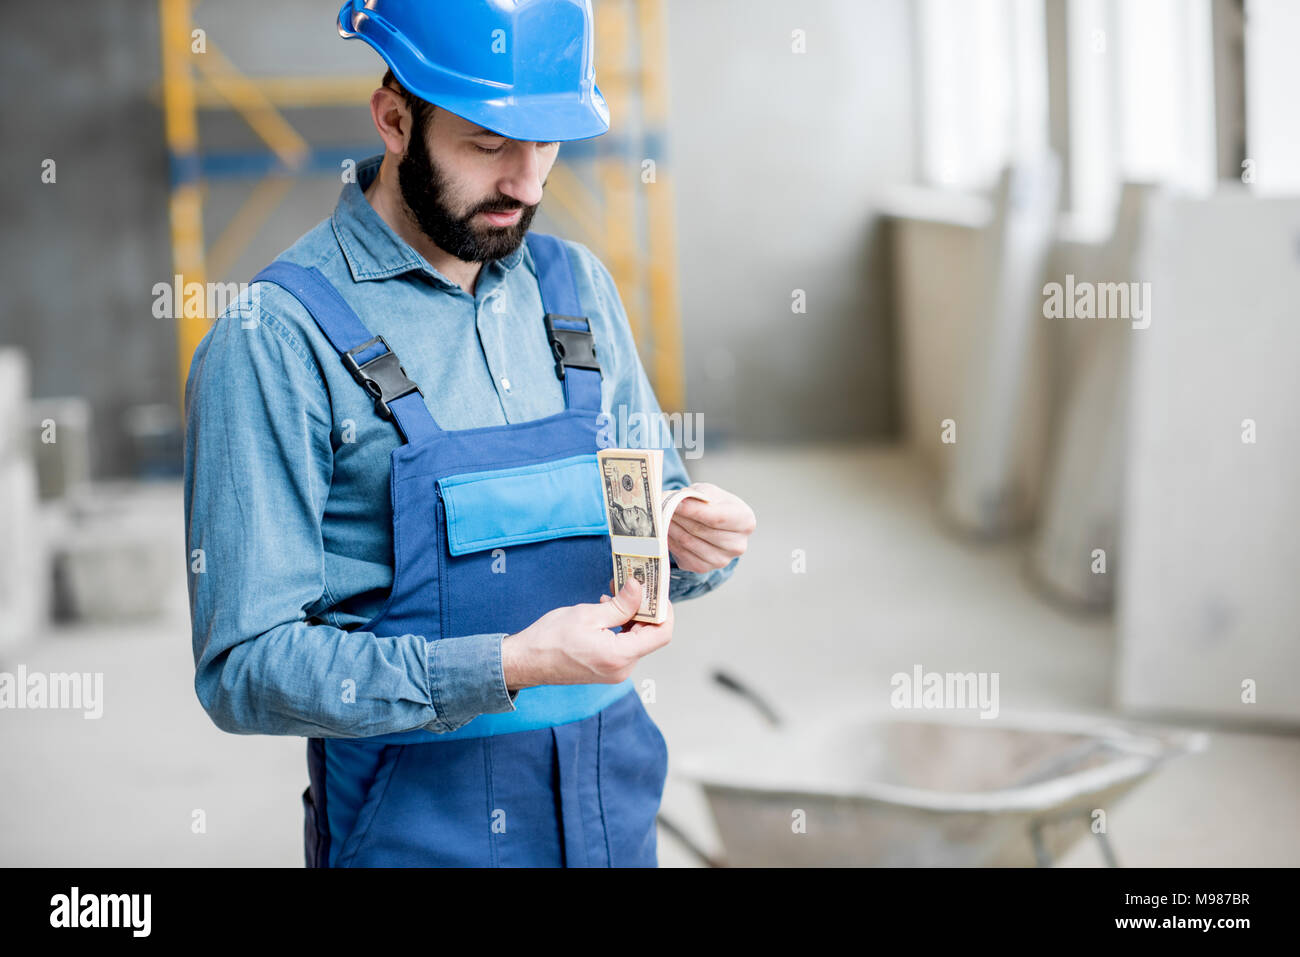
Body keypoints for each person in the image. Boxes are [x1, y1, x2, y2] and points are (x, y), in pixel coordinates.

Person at [183, 0, 756, 867]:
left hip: (611, 814)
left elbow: (655, 531)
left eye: (549, 143)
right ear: (395, 120)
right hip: (417, 832)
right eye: (489, 143)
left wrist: (690, 544)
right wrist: (505, 665)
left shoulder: (578, 288)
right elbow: (245, 670)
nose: (527, 182)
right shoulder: (276, 337)